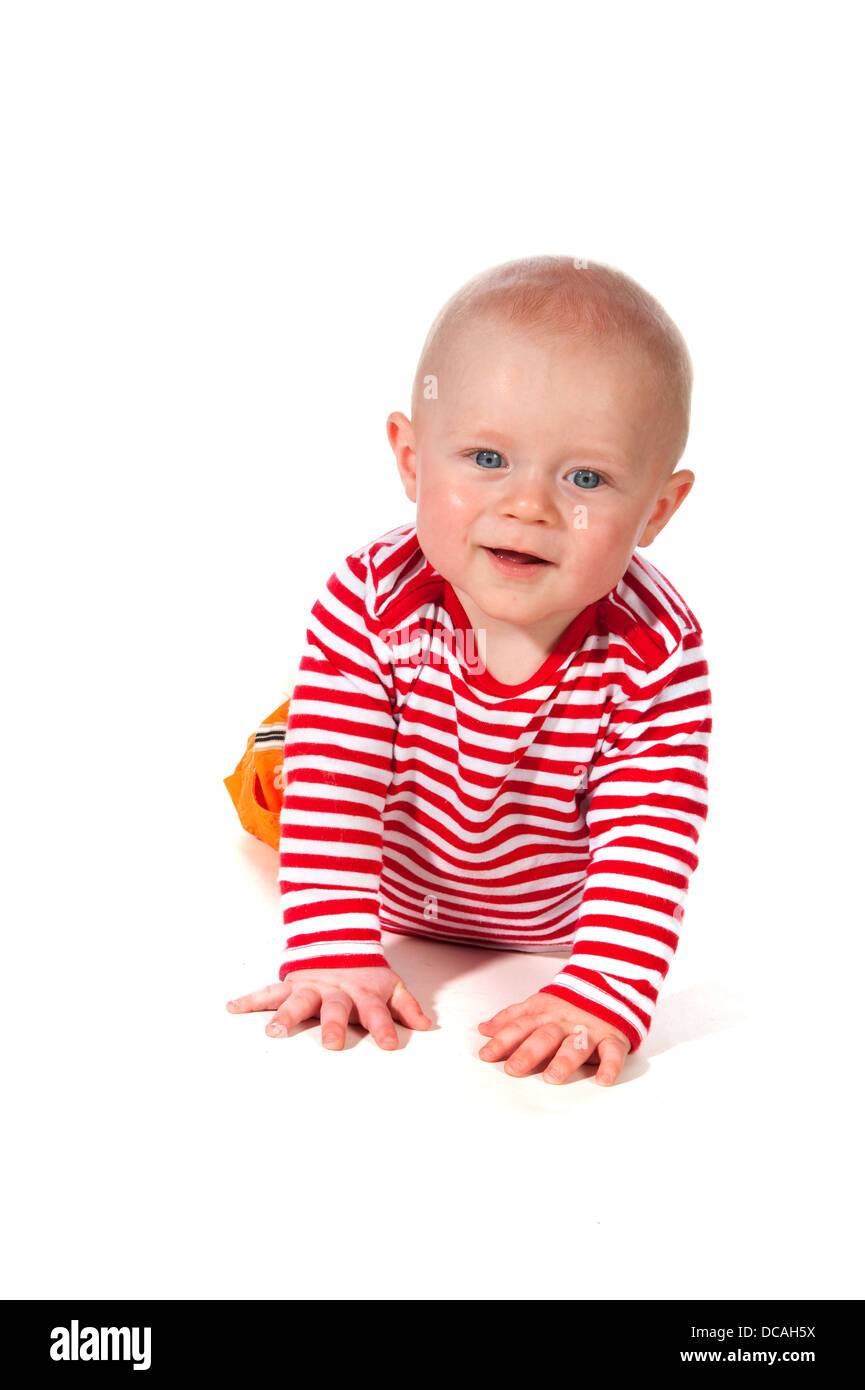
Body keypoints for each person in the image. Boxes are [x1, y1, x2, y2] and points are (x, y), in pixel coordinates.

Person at [225, 255, 712, 1087]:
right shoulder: (374, 596)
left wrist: (602, 990)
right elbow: (337, 784)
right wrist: (336, 945)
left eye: (585, 477)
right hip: (389, 862)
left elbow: (650, 833)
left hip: (542, 914)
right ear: (412, 462)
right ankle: (283, 732)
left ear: (656, 511)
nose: (528, 506)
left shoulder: (653, 647)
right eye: (486, 459)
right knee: (289, 765)